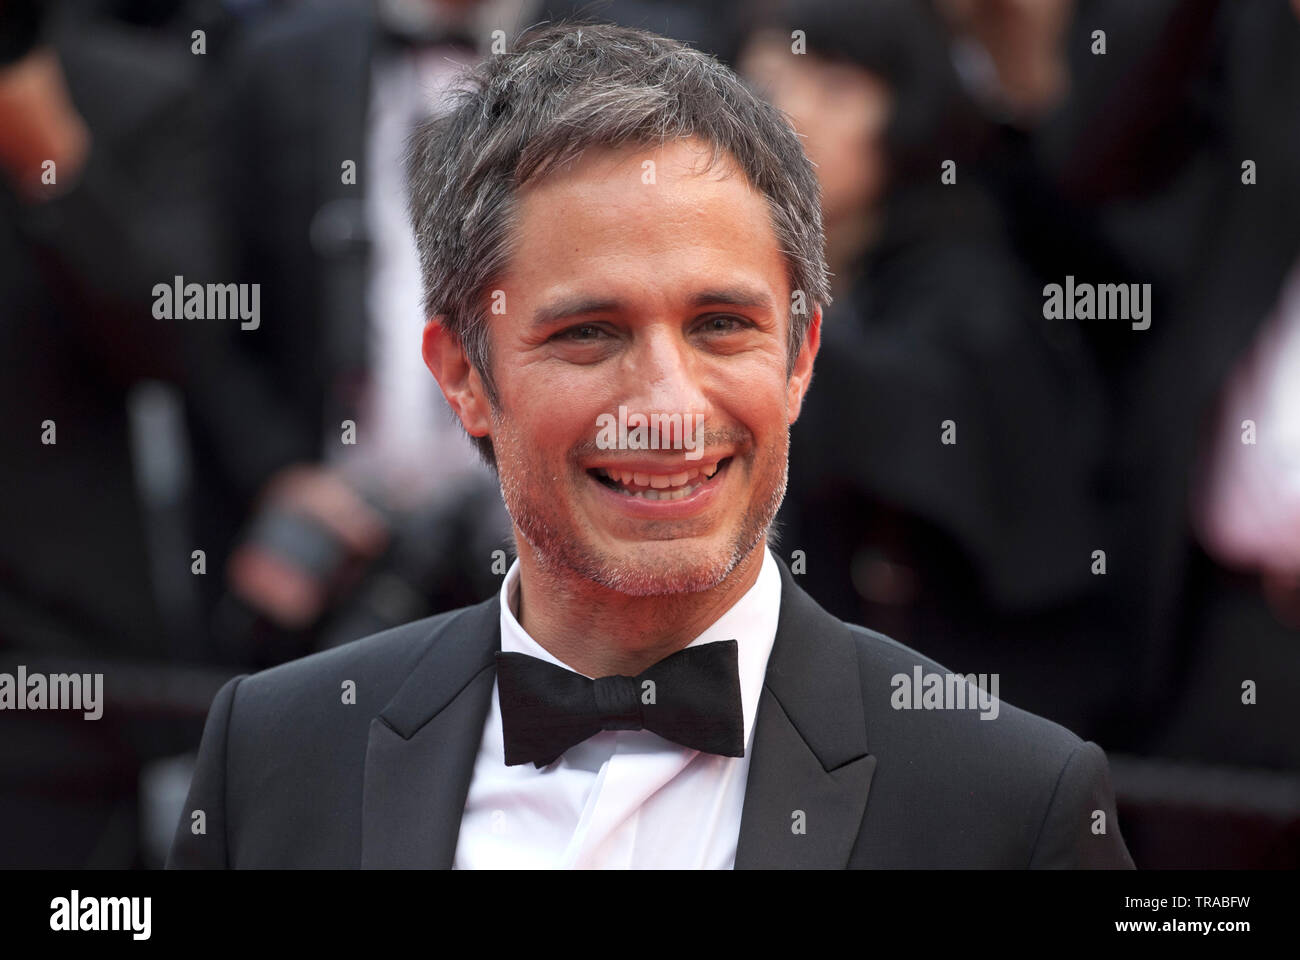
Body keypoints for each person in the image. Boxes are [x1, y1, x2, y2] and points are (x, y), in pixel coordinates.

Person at [167, 22, 1134, 869]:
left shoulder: (1008, 804)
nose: (666, 406)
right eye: (589, 332)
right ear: (463, 373)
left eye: (722, 325)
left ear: (801, 356)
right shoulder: (276, 754)